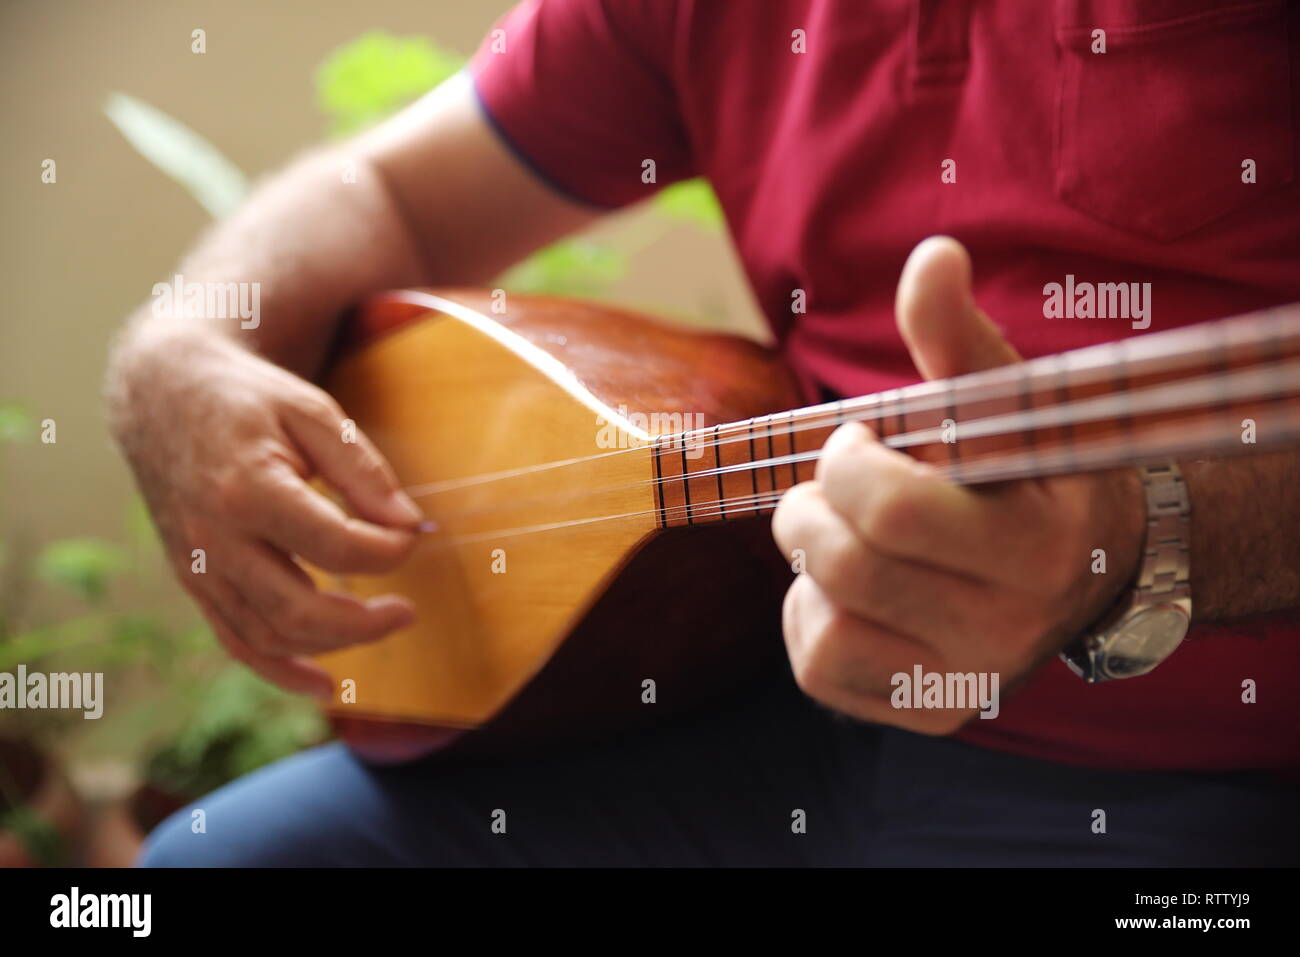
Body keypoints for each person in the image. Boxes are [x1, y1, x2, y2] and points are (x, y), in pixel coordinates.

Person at [109, 0, 1300, 866]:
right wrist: (182, 349)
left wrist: (1126, 540)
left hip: (1212, 773)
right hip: (766, 700)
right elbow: (393, 192)